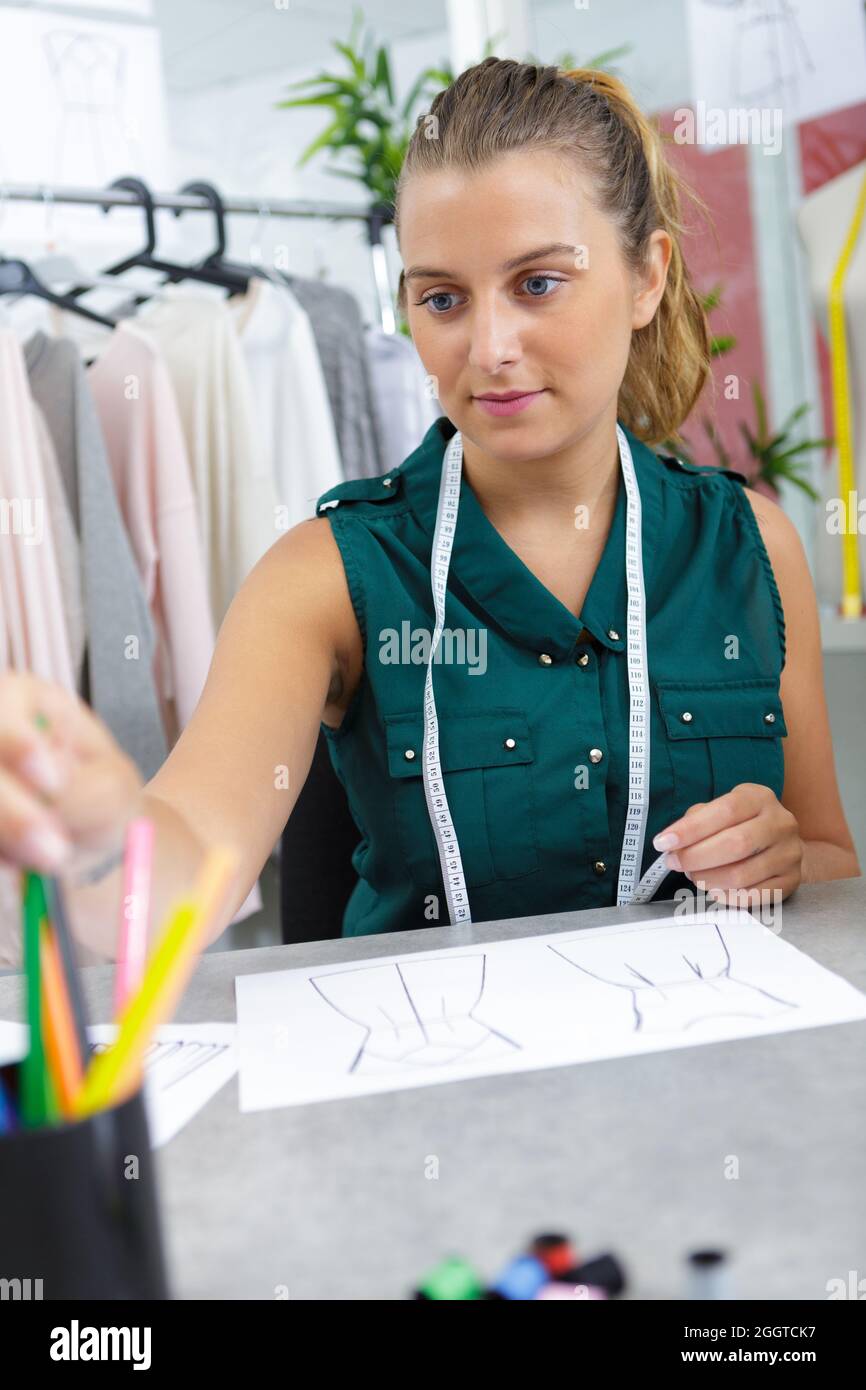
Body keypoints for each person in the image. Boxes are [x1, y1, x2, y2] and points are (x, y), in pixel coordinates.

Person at [0, 59, 858, 961]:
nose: (488, 348)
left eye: (537, 284)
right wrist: (93, 839)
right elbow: (185, 862)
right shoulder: (327, 576)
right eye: (442, 298)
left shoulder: (751, 546)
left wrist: (789, 858)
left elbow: (834, 859)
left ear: (646, 277)